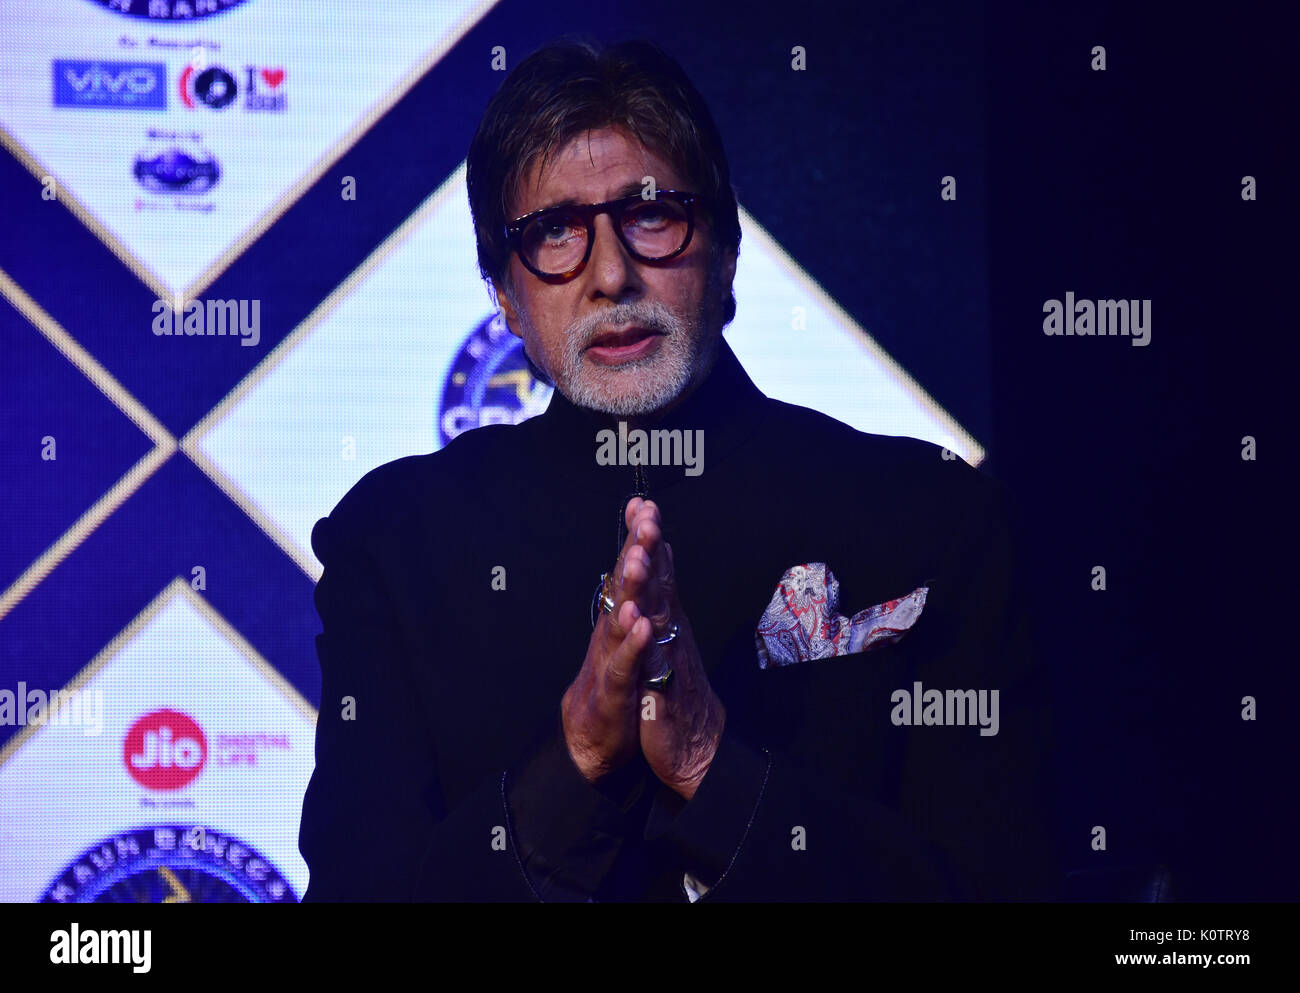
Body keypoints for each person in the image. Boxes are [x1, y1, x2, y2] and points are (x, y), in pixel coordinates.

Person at [297, 38, 1059, 902]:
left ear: (727, 249)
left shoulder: (930, 518)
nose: (612, 274)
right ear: (505, 295)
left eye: (652, 214)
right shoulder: (397, 542)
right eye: (555, 232)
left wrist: (710, 764)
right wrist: (576, 759)